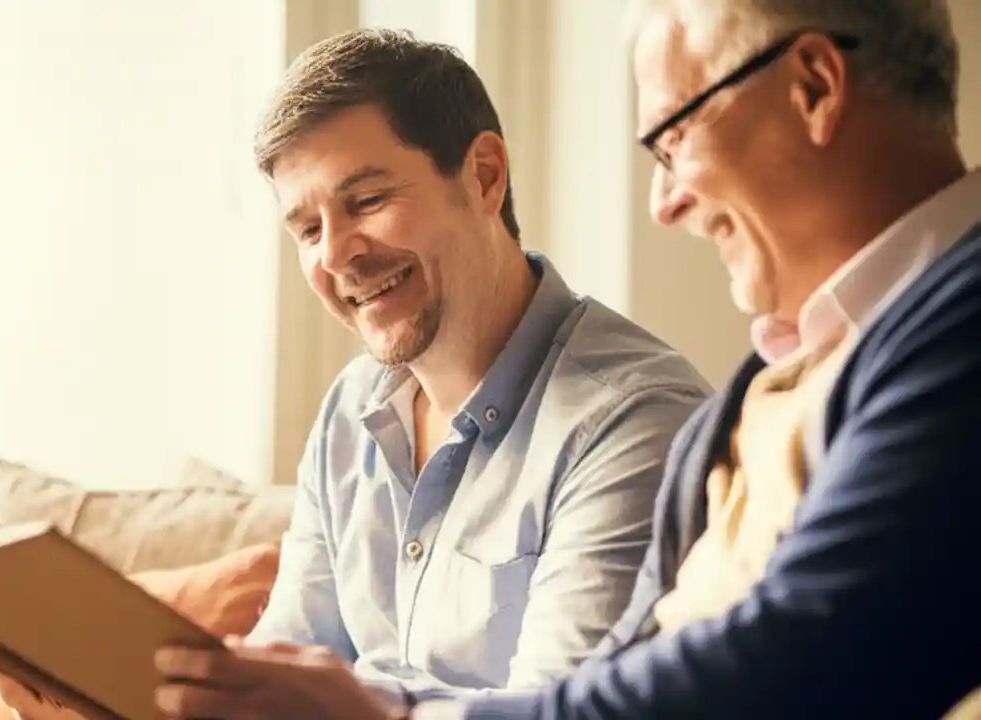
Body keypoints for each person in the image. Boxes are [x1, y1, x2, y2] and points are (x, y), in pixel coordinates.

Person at [151, 1, 981, 718]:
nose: (665, 203)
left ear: (813, 88)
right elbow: (620, 678)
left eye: (675, 135)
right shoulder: (766, 389)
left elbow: (809, 656)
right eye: (305, 229)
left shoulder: (951, 333)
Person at [0, 27, 710, 719]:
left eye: (366, 201)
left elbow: (567, 713)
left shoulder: (633, 421)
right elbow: (281, 670)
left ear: (484, 176)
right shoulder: (352, 411)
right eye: (307, 230)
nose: (337, 256)